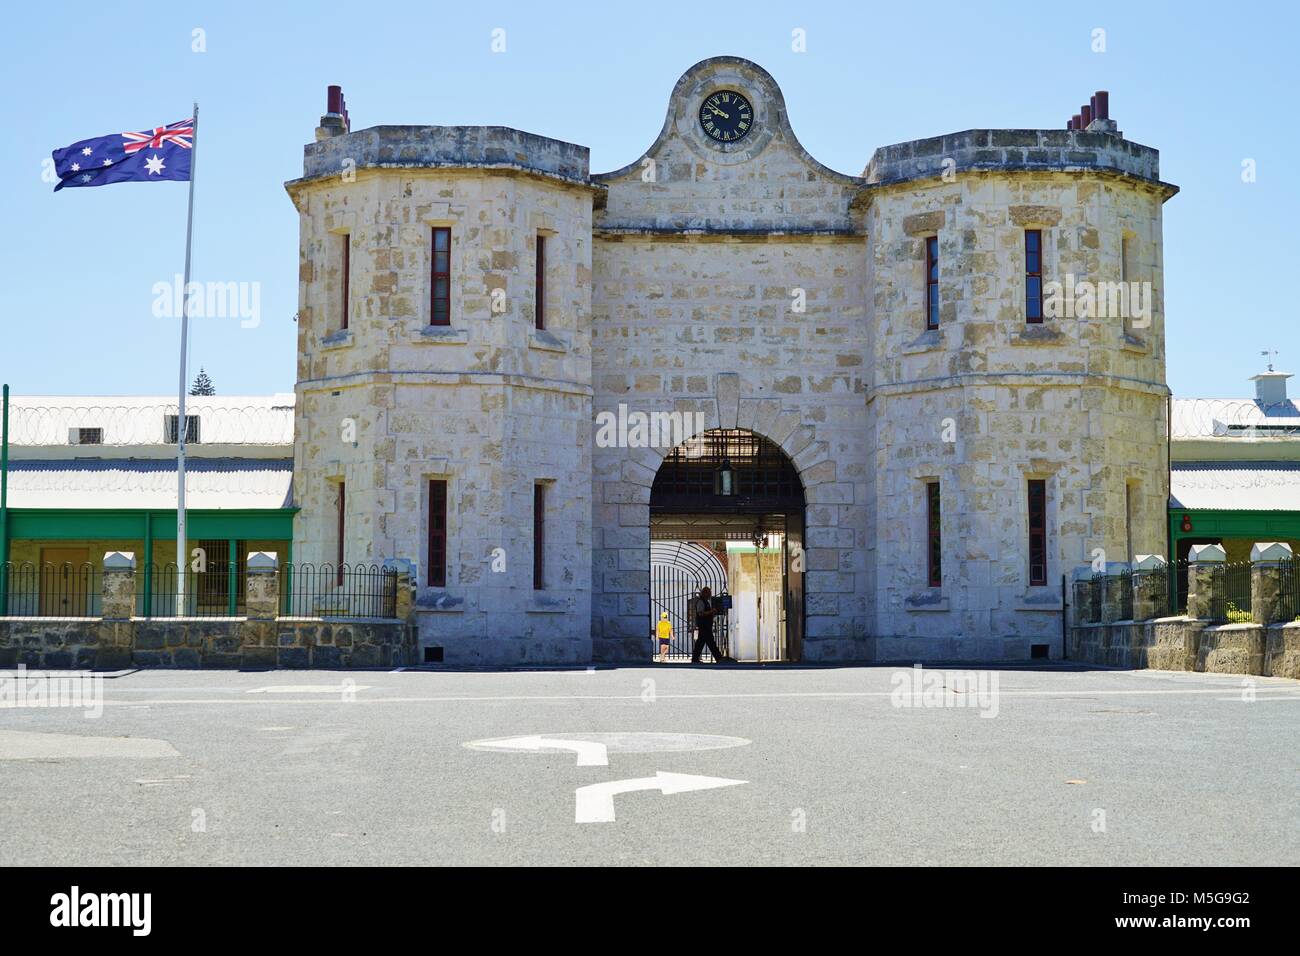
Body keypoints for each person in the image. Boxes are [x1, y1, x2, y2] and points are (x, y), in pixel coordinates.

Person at [691, 586, 735, 663]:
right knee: (710, 643)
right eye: (709, 593)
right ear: (705, 593)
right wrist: (711, 611)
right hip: (704, 626)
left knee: (701, 643)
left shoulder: (705, 601)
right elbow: (700, 613)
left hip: (706, 626)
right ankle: (718, 658)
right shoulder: (701, 602)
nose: (710, 595)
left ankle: (695, 659)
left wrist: (712, 613)